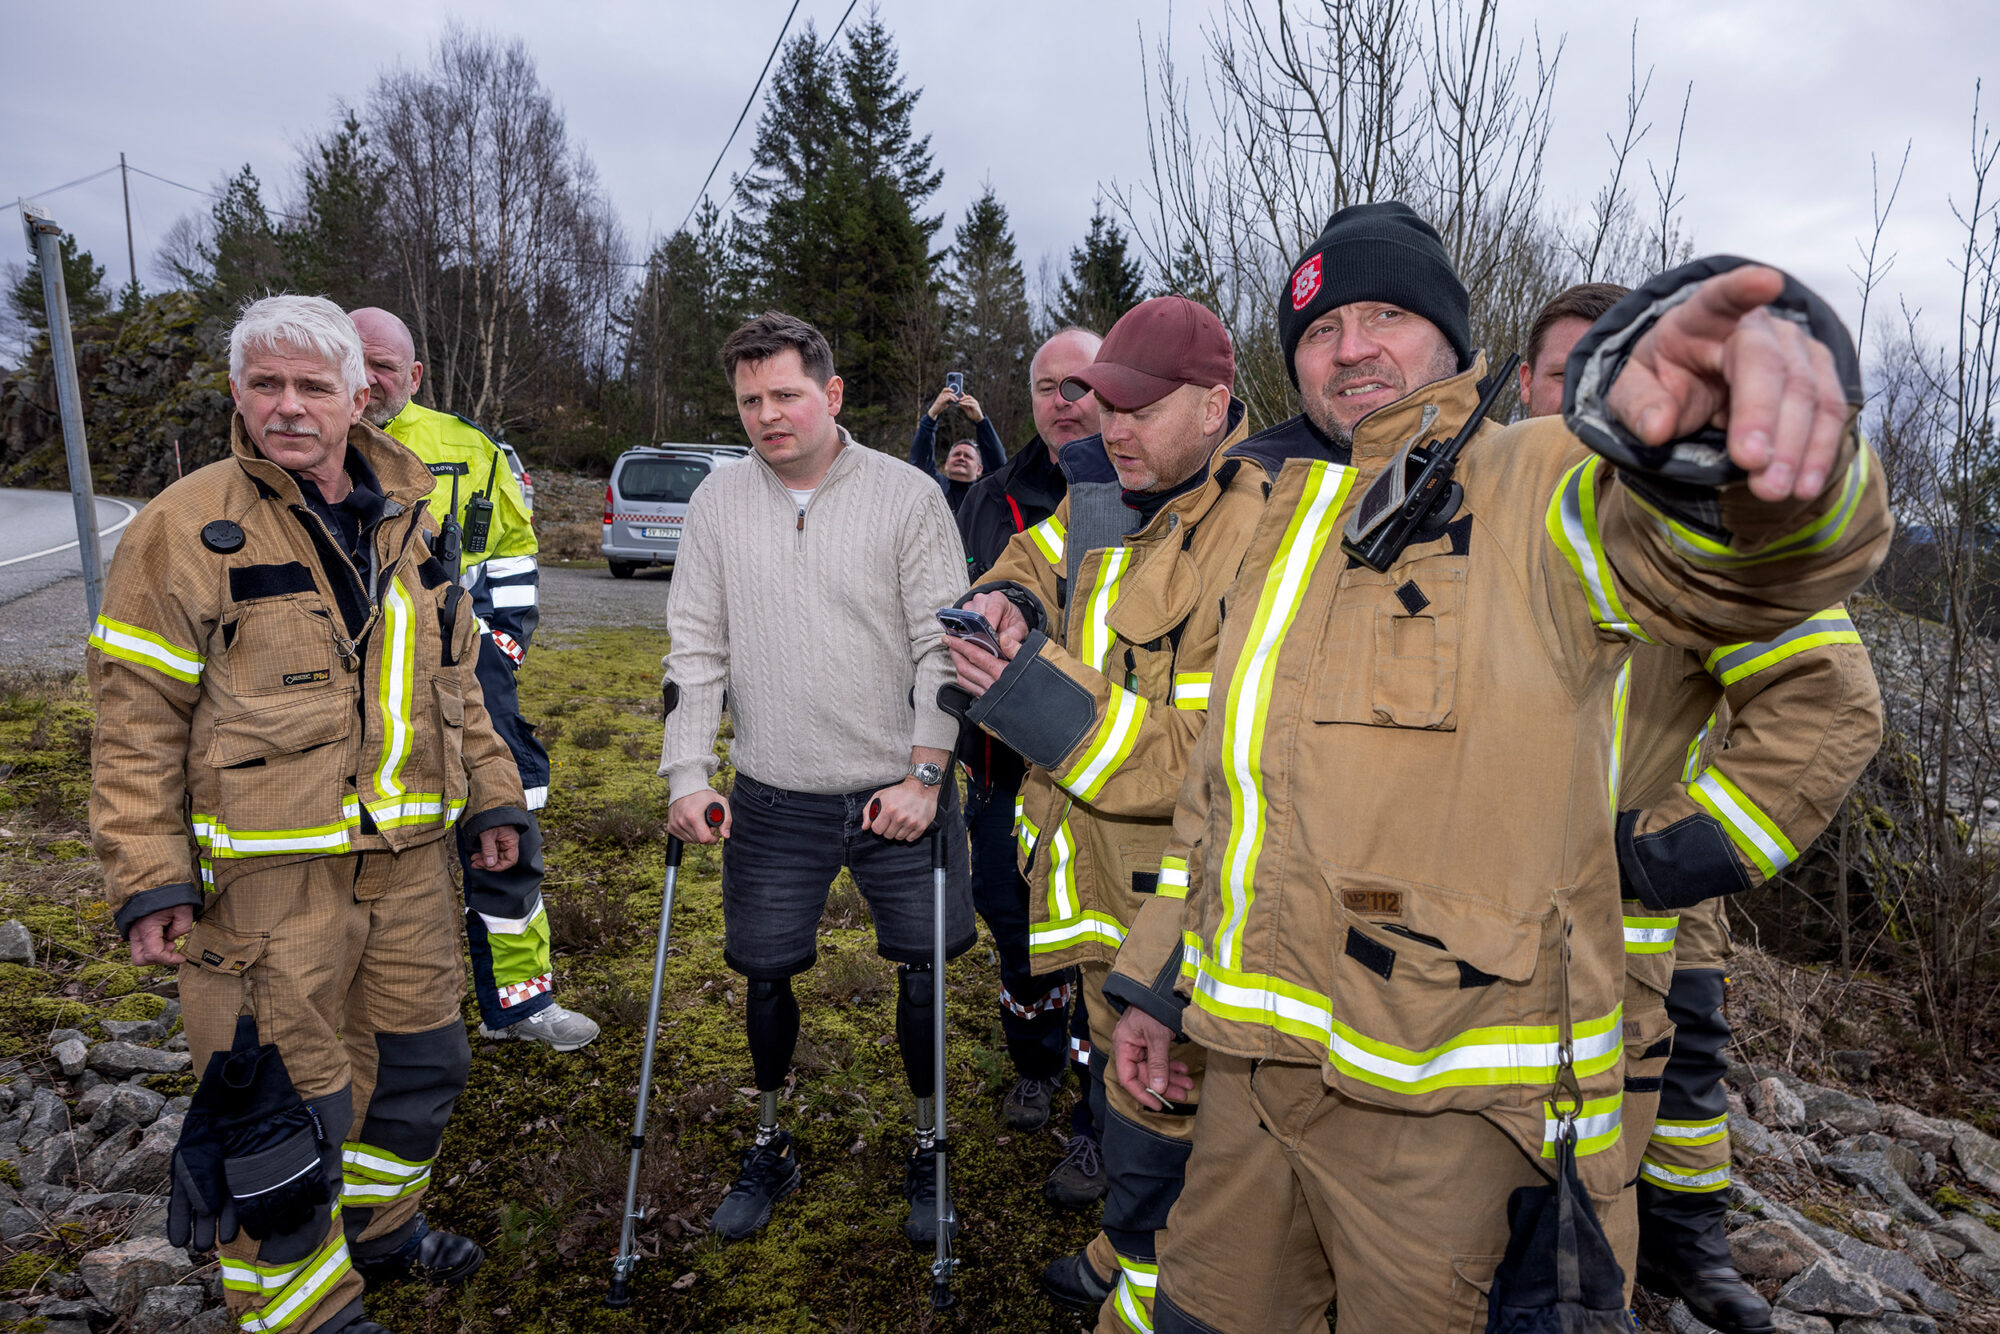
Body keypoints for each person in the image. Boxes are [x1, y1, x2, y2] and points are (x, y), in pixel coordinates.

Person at [1104, 202, 1891, 1331]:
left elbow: (1740, 563)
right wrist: (1152, 982)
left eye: (1384, 315)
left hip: (1440, 1109)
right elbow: (1222, 796)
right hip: (1244, 1077)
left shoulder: (1536, 477)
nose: (1350, 347)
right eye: (1320, 330)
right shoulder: (1282, 520)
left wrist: (1734, 450)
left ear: (1455, 339)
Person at [90, 295, 533, 1334]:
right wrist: (148, 872)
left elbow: (456, 681)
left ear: (359, 394)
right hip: (264, 882)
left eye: (311, 385)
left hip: (411, 861)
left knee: (421, 1065)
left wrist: (495, 798)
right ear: (238, 393)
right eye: (266, 384)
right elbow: (134, 717)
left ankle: (380, 1229)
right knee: (283, 1115)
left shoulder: (411, 515)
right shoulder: (183, 525)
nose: (288, 406)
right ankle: (307, 1313)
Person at [1523, 283, 1882, 1334]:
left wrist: (1677, 848)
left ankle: (1689, 1244)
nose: (1576, 387)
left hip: (1644, 891)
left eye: (1601, 364)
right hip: (1494, 907)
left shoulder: (1670, 527)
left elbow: (1828, 699)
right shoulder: (1473, 516)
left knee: (1680, 1073)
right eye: (1556, 368)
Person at [942, 295, 1258, 1325]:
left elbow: (1204, 760)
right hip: (1086, 881)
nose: (1112, 428)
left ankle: (1150, 1280)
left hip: (1180, 900)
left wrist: (1028, 686)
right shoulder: (1114, 494)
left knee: (1172, 1108)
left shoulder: (1258, 536)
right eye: (1101, 403)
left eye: (1141, 407)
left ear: (1214, 406)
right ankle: (1122, 1241)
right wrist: (1006, 600)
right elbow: (1036, 562)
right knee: (1122, 1093)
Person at [659, 311, 976, 1244]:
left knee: (923, 974)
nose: (768, 415)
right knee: (763, 974)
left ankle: (929, 1142)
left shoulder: (908, 496)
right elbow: (695, 646)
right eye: (751, 400)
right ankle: (771, 1140)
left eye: (786, 394)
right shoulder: (717, 500)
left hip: (897, 793)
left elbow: (943, 647)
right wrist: (687, 771)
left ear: (830, 394)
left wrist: (925, 776)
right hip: (769, 794)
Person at [348, 306, 599, 1054]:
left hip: (467, 692)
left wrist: (490, 654)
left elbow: (515, 559)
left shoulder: (472, 451)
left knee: (504, 836)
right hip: (343, 713)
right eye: (352, 363)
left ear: (414, 375)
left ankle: (519, 1006)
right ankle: (361, 1010)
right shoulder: (302, 448)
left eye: (383, 366)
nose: (367, 380)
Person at [951, 326, 1110, 1203]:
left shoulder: (1138, 492)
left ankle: (1097, 1117)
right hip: (1001, 772)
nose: (1064, 401)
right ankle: (1036, 1064)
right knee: (1016, 936)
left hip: (1104, 773)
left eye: (1080, 384)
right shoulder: (991, 499)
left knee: (1102, 950)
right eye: (1047, 386)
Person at [909, 379, 1006, 510]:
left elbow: (999, 467)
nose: (961, 457)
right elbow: (920, 459)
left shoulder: (985, 493)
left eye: (968, 456)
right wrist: (932, 414)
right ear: (947, 464)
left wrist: (981, 421)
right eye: (956, 454)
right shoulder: (933, 486)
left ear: (979, 469)